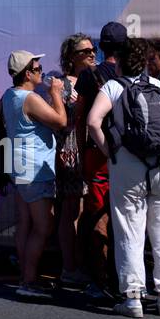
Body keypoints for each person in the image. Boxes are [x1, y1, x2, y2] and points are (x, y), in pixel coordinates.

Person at [86, 38, 160, 317]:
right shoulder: (156, 85)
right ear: (145, 62)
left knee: (129, 230)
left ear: (119, 62)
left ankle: (133, 299)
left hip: (128, 165)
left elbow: (93, 122)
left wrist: (108, 150)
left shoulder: (112, 87)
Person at [0, 50, 67, 300]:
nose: (42, 72)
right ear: (28, 74)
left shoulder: (9, 95)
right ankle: (29, 281)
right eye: (38, 69)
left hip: (19, 166)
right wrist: (56, 94)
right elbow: (60, 121)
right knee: (43, 227)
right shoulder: (30, 98)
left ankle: (25, 276)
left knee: (25, 225)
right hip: (36, 168)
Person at [74, 21, 128, 299]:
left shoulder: (89, 76)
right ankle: (128, 277)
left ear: (101, 46)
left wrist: (83, 154)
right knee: (129, 216)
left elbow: (82, 119)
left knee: (98, 215)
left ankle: (102, 280)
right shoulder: (133, 73)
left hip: (98, 153)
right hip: (130, 153)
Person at [44, 33, 95, 288]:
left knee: (85, 210)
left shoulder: (97, 78)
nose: (92, 54)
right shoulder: (62, 85)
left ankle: (79, 262)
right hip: (71, 149)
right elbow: (55, 118)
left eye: (93, 49)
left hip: (92, 150)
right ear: (72, 57)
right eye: (85, 51)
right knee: (70, 210)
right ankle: (70, 267)